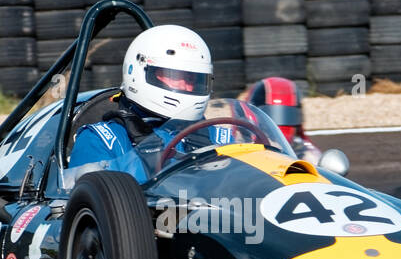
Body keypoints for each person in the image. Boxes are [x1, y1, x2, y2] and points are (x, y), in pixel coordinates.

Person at [69, 23, 218, 181]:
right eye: (174, 77)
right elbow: (90, 200)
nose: (185, 86)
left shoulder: (219, 137)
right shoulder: (103, 141)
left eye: (192, 79)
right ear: (137, 72)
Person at [241, 76, 321, 164]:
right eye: (270, 114)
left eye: (288, 115)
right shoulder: (236, 144)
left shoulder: (308, 154)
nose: (278, 125)